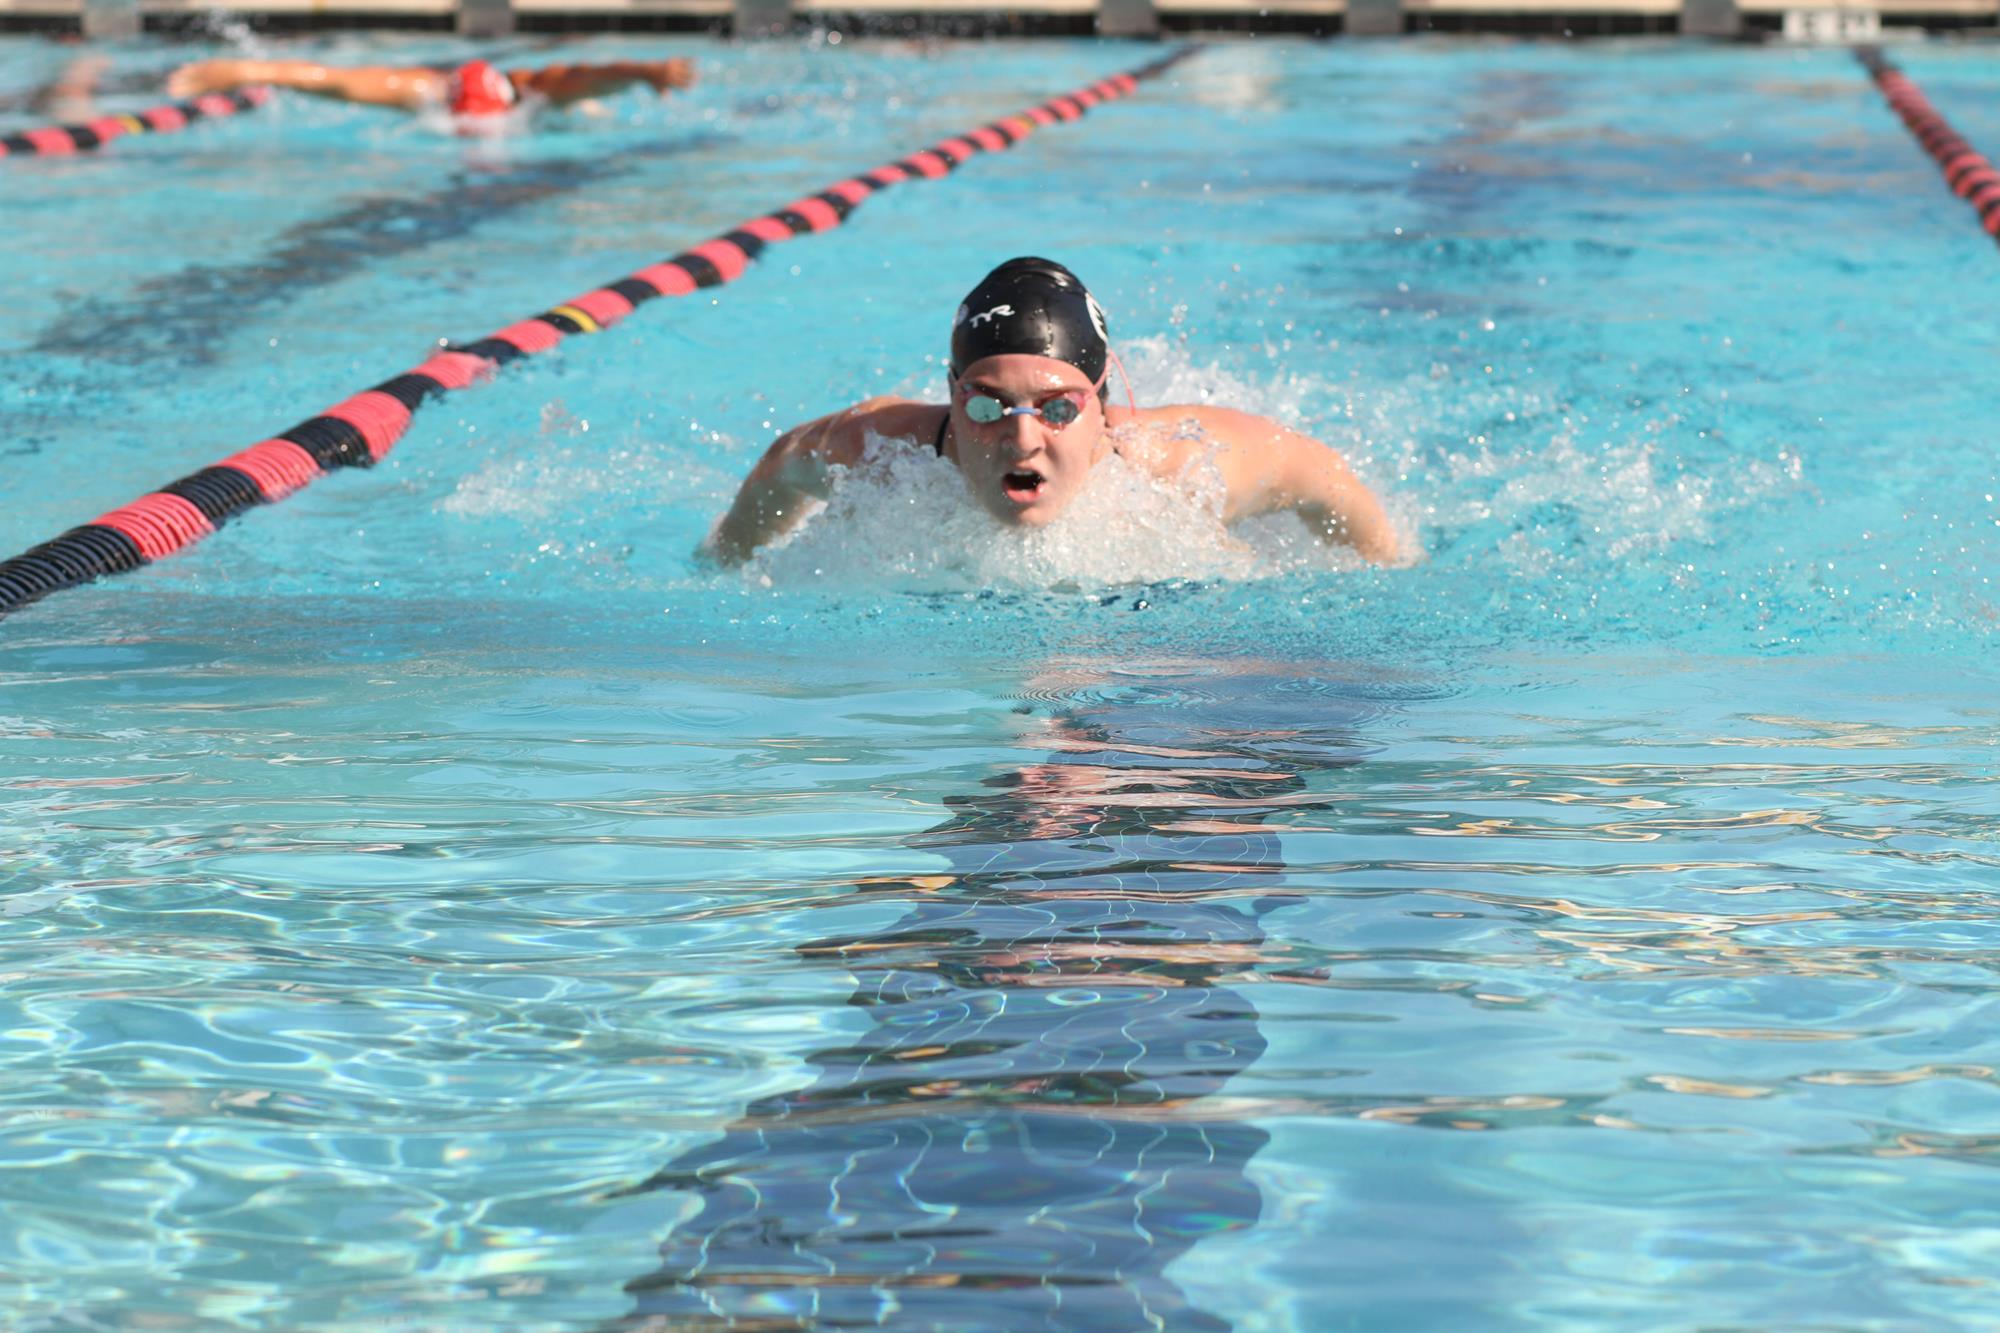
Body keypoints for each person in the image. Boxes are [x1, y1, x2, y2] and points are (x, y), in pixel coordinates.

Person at [707, 257, 1403, 568]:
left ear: (1101, 400)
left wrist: (1391, 569)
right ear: (951, 393)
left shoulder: (1179, 466)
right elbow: (778, 469)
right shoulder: (885, 449)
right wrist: (725, 560)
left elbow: (1324, 477)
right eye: (986, 403)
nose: (1022, 438)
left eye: (1057, 408)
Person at [165, 54, 695, 126]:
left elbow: (587, 73)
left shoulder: (540, 91)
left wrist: (647, 71)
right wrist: (234, 71)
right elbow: (326, 78)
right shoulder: (422, 90)